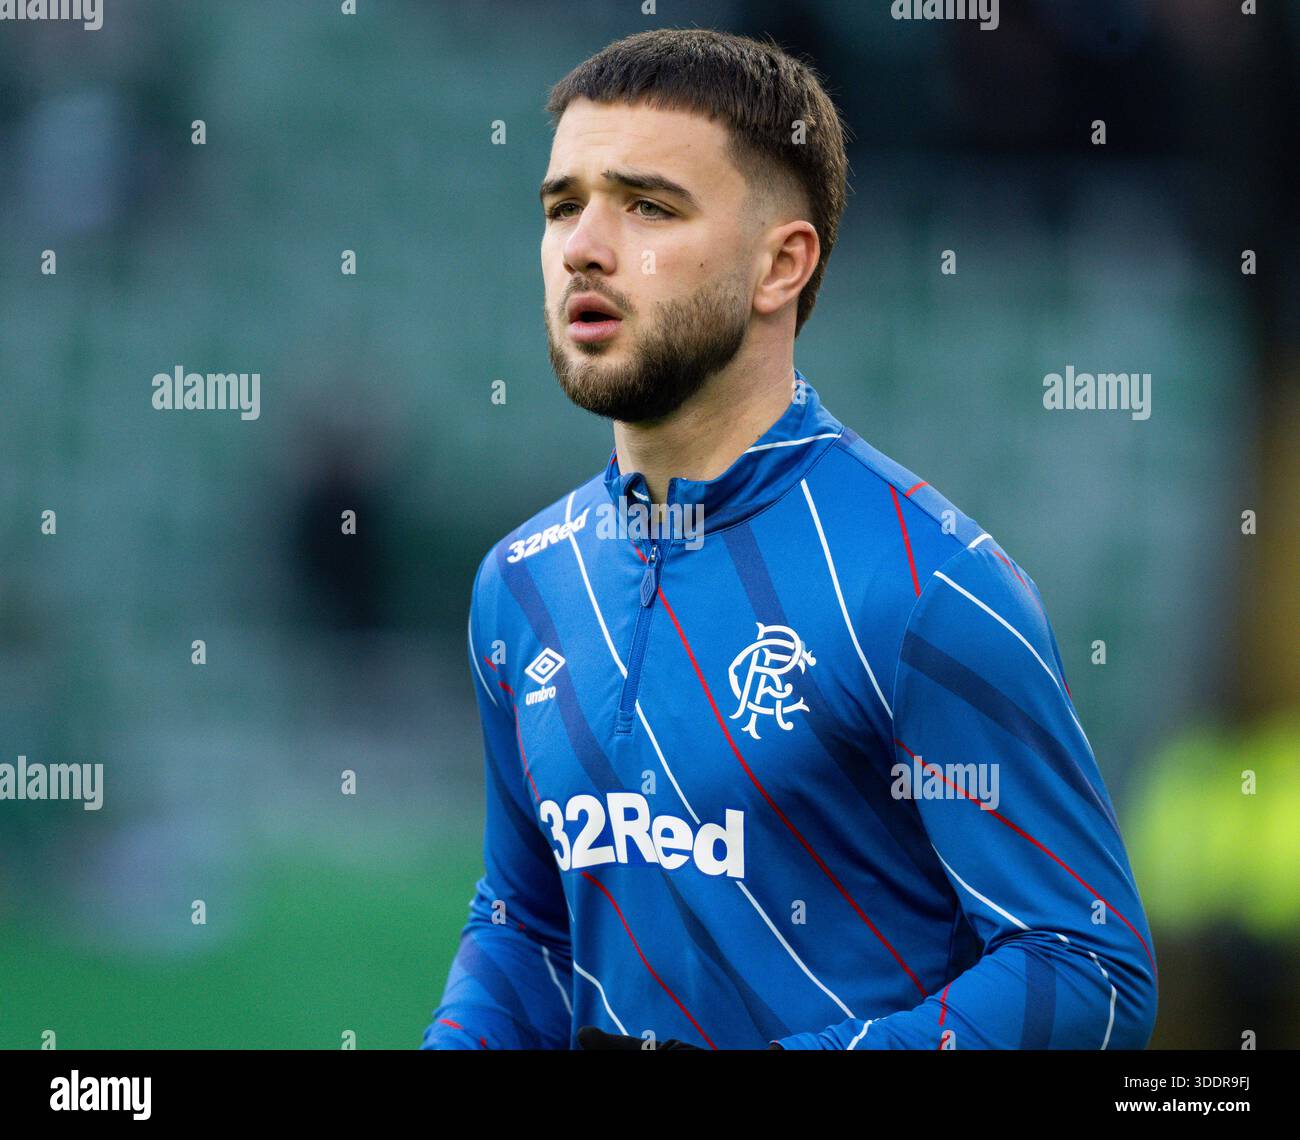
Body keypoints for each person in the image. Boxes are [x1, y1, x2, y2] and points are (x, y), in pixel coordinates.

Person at [421, 28, 1157, 1050]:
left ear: (781, 264)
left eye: (646, 206)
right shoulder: (521, 583)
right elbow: (529, 923)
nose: (583, 246)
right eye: (561, 208)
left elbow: (1086, 970)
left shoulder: (925, 586)